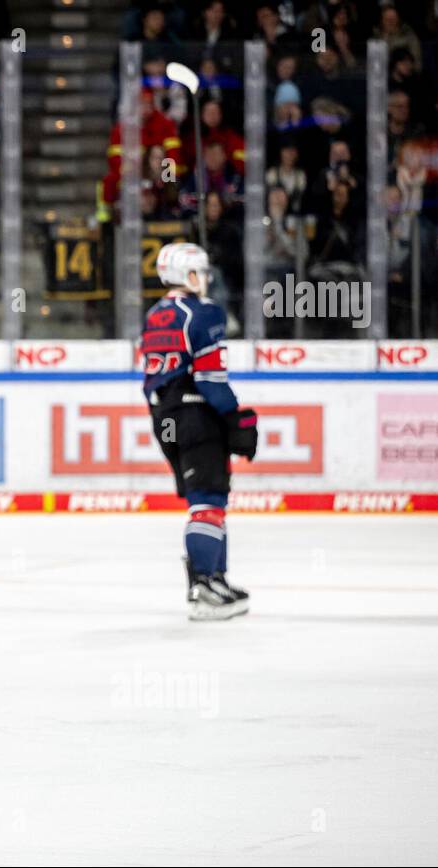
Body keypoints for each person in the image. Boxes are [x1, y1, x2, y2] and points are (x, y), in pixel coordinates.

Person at [140, 242, 258, 620]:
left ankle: (216, 579)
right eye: (201, 271)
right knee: (207, 499)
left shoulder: (156, 314)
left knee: (211, 498)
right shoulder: (204, 312)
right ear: (187, 274)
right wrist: (233, 416)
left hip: (166, 415)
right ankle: (203, 587)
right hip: (196, 413)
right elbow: (210, 377)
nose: (206, 278)